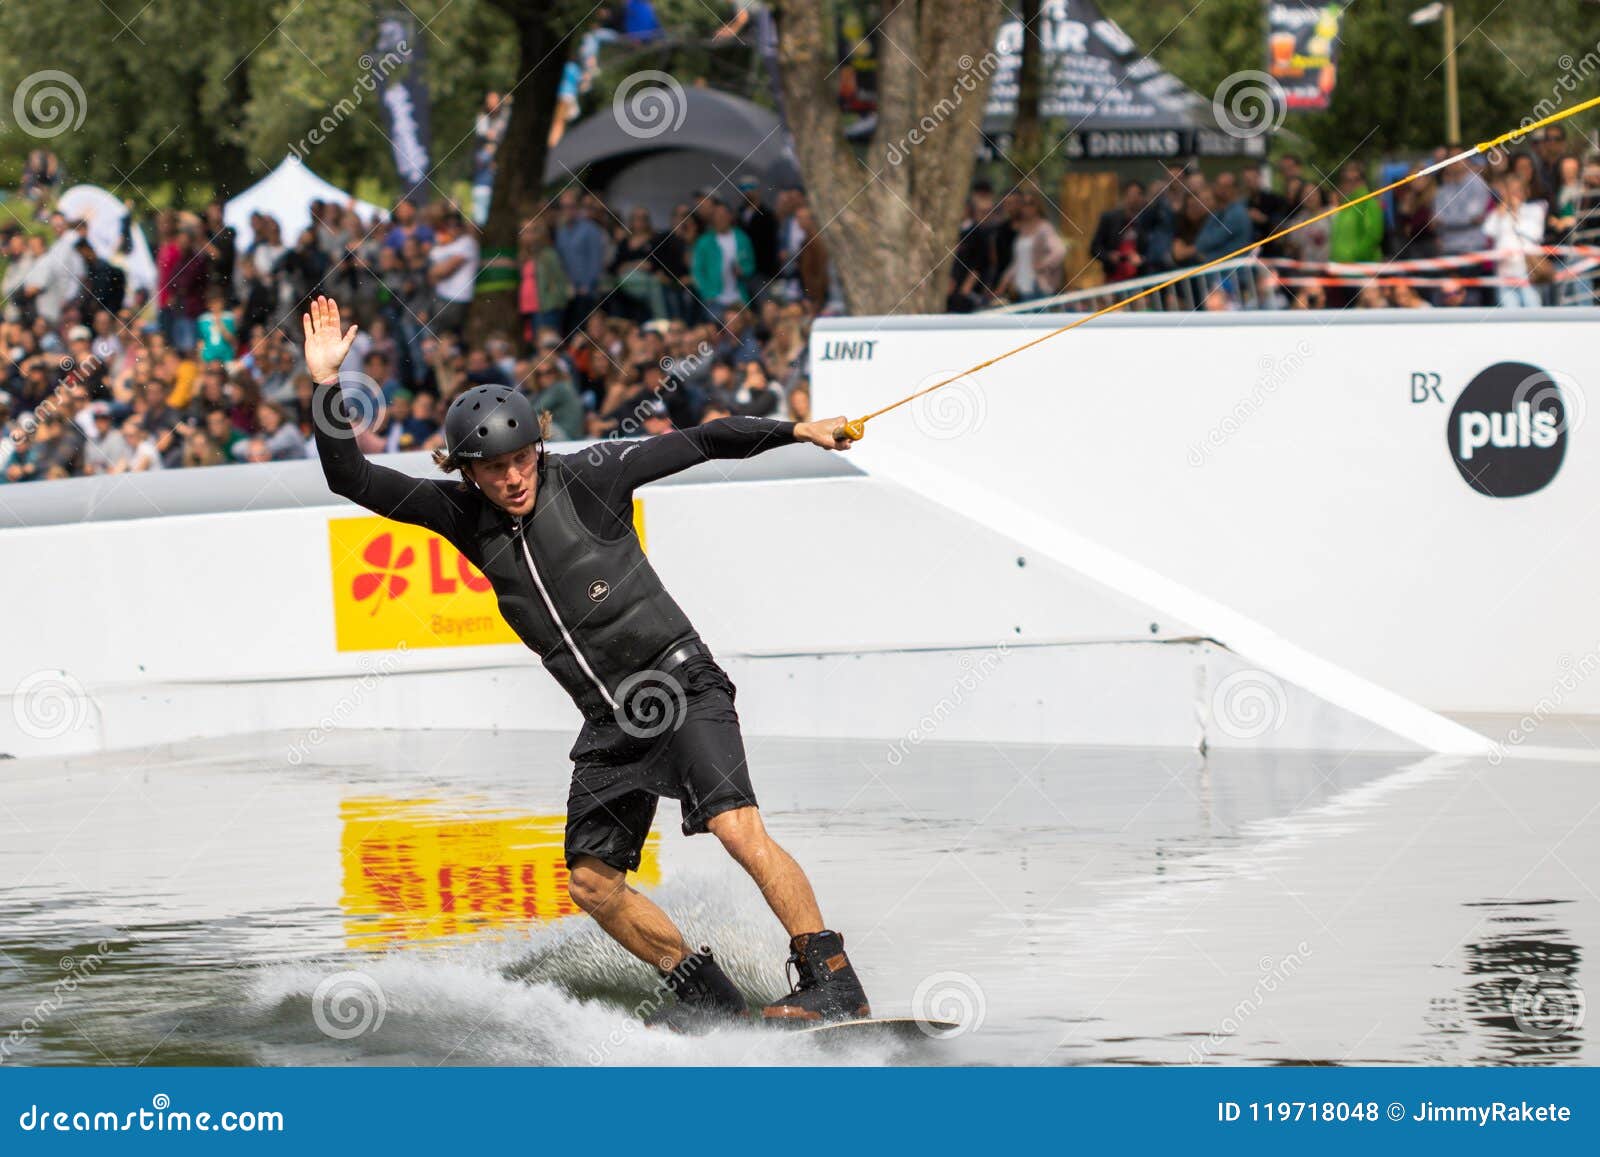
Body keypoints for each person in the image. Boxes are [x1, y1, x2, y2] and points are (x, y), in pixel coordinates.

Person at [305, 295, 872, 1029]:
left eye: (521, 459)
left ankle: (831, 976)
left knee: (736, 828)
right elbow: (350, 476)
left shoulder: (592, 477)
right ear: (467, 471)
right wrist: (325, 385)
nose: (514, 478)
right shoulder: (460, 518)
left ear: (537, 446)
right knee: (593, 884)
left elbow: (701, 439)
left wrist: (798, 429)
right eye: (495, 468)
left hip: (679, 680)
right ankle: (714, 1002)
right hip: (609, 723)